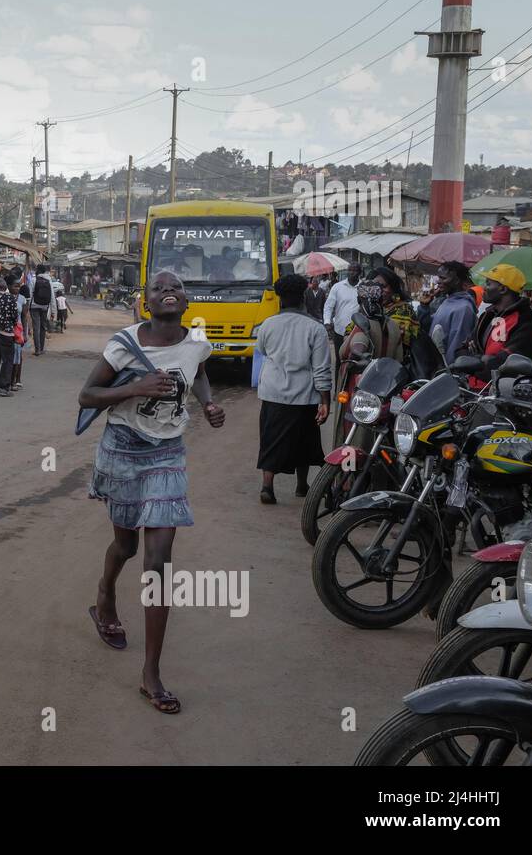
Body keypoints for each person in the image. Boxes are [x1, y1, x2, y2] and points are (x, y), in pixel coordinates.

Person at [79, 270, 225, 714]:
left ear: (186, 300)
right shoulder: (125, 343)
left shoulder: (197, 340)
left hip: (168, 454)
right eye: (159, 288)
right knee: (124, 545)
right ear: (145, 302)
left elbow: (198, 374)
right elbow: (87, 395)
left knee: (158, 561)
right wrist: (136, 387)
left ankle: (152, 674)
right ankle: (105, 594)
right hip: (122, 451)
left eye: (176, 287)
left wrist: (208, 403)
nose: (168, 292)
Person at [255, 274, 331, 504]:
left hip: (272, 392)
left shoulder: (267, 324)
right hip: (303, 396)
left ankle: (267, 486)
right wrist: (325, 400)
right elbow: (321, 368)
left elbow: (263, 351)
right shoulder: (315, 329)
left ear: (280, 300)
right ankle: (301, 485)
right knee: (304, 442)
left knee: (270, 439)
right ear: (303, 299)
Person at [468, 264, 532, 387]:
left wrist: (474, 362)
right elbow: (464, 347)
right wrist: (481, 359)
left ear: (503, 289)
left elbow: (505, 363)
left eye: (488, 283)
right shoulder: (488, 315)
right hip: (477, 391)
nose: (483, 288)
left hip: (507, 395)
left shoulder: (526, 320)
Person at [424, 260, 477, 364]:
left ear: (457, 280)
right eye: (439, 277)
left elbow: (457, 345)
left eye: (443, 278)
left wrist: (446, 372)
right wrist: (423, 307)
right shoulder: (447, 301)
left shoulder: (463, 308)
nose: (438, 281)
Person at [323, 264, 361, 355]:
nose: (351, 272)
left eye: (354, 270)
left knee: (356, 359)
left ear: (360, 272)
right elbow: (329, 306)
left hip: (358, 331)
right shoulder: (337, 287)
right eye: (350, 270)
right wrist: (327, 322)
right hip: (340, 330)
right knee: (340, 360)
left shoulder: (363, 287)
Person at [29, 264, 55, 356]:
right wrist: (53, 311)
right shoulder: (49, 280)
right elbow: (52, 297)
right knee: (43, 327)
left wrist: (28, 307)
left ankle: (37, 350)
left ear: (38, 271)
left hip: (34, 306)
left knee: (36, 327)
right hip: (45, 307)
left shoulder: (33, 280)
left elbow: (30, 295)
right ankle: (42, 348)